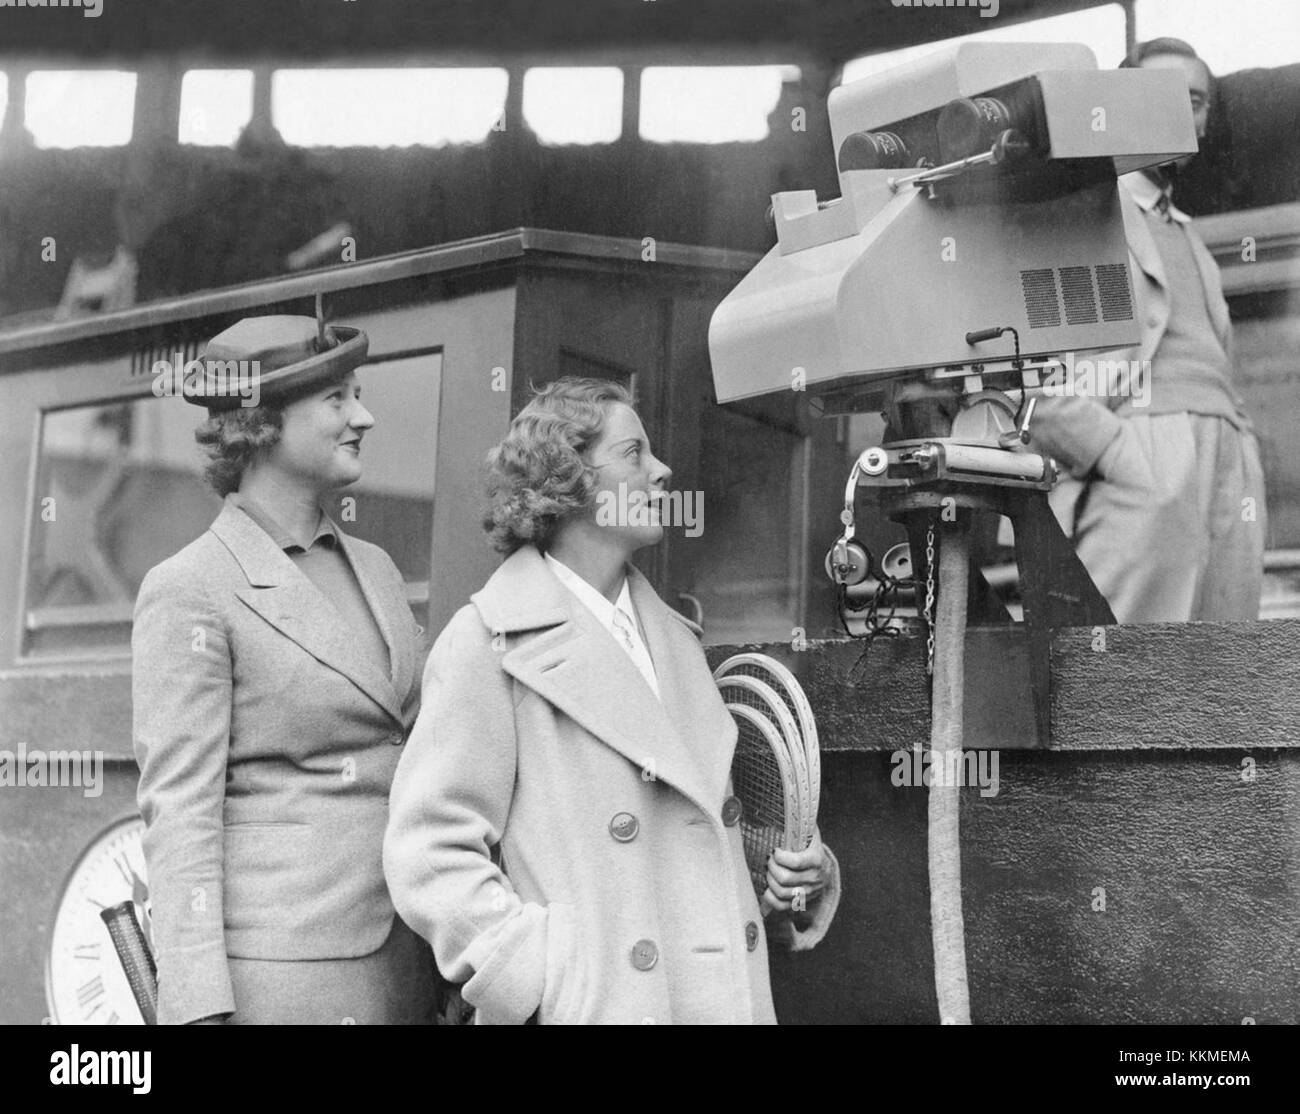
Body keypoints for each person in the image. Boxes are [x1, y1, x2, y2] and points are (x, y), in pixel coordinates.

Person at [384, 377, 841, 1025]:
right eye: (635, 454)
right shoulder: (489, 639)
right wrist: (535, 971)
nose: (663, 471)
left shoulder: (677, 637)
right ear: (570, 482)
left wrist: (774, 863)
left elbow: (679, 828)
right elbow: (428, 847)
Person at [132, 315, 433, 1024]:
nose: (364, 416)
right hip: (283, 982)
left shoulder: (379, 571)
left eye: (356, 394)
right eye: (336, 400)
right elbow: (180, 813)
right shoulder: (191, 586)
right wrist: (200, 1008)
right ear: (260, 423)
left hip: (413, 962)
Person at [1030, 38, 1267, 623]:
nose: (1183, 112)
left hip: (1228, 459)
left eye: (1197, 100)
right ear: (1121, 101)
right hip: (1144, 454)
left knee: (1226, 676)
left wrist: (1242, 451)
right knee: (1127, 680)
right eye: (1163, 95)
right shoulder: (1084, 215)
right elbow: (1028, 365)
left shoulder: (1190, 237)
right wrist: (1114, 451)